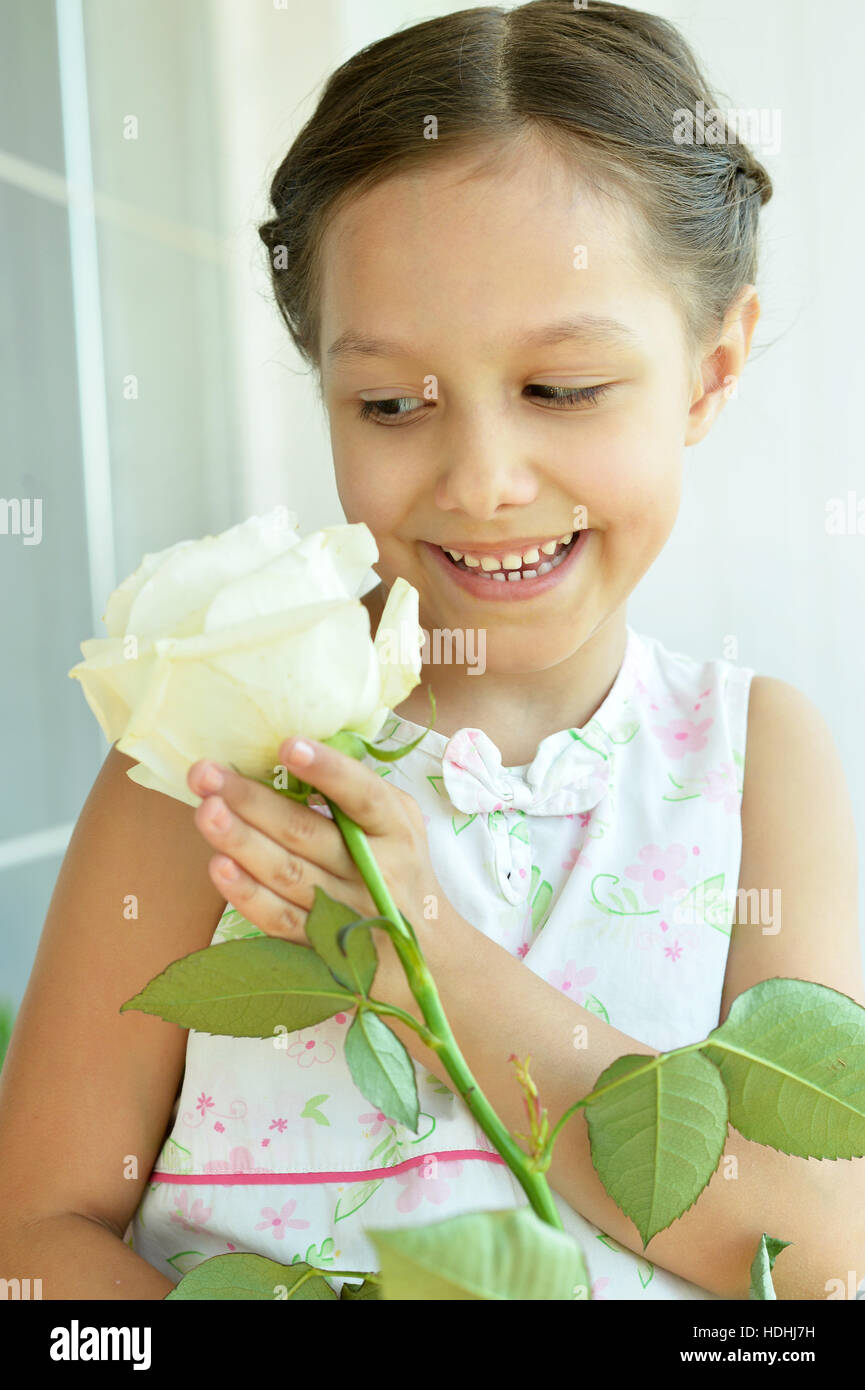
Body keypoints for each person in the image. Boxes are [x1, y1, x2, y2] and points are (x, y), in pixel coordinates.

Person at [1, 0, 863, 1302]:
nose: (482, 478)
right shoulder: (215, 747)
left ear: (707, 367)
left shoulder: (753, 756)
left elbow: (809, 1244)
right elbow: (30, 1240)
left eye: (560, 389)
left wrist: (427, 957)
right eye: (390, 404)